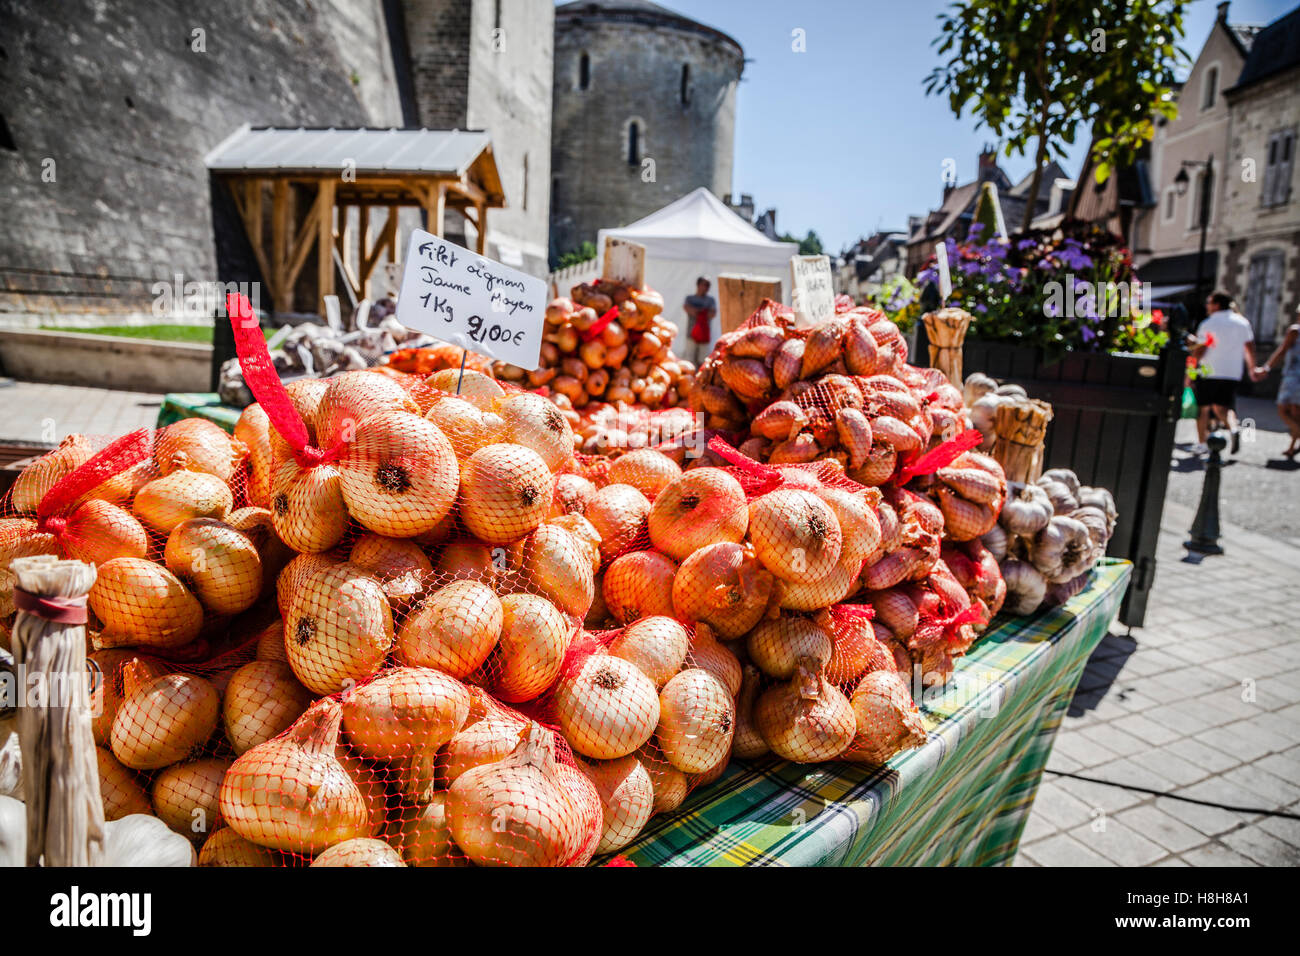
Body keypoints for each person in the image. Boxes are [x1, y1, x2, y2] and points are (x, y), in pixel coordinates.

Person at [1187, 290, 1256, 456]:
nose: (1207, 306)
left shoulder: (1209, 323)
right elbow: (1249, 348)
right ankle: (1233, 428)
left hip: (1208, 371)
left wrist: (1189, 372)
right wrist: (1253, 369)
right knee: (1223, 406)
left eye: (1209, 303)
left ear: (1217, 304)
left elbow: (1199, 350)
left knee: (1203, 409)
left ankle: (1202, 443)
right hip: (1232, 372)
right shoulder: (1242, 322)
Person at [1252, 304, 1300, 458]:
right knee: (1296, 412)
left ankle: (1297, 434)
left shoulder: (1295, 330)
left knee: (1282, 409)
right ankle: (1292, 447)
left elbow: (1282, 351)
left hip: (1293, 377)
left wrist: (1266, 367)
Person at [684, 277, 717, 365]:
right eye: (704, 285)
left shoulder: (710, 300)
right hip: (691, 333)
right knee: (689, 360)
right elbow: (688, 309)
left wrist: (698, 311)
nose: (706, 288)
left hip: (704, 335)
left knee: (703, 361)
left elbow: (712, 314)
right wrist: (702, 311)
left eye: (708, 286)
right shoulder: (690, 298)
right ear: (698, 285)